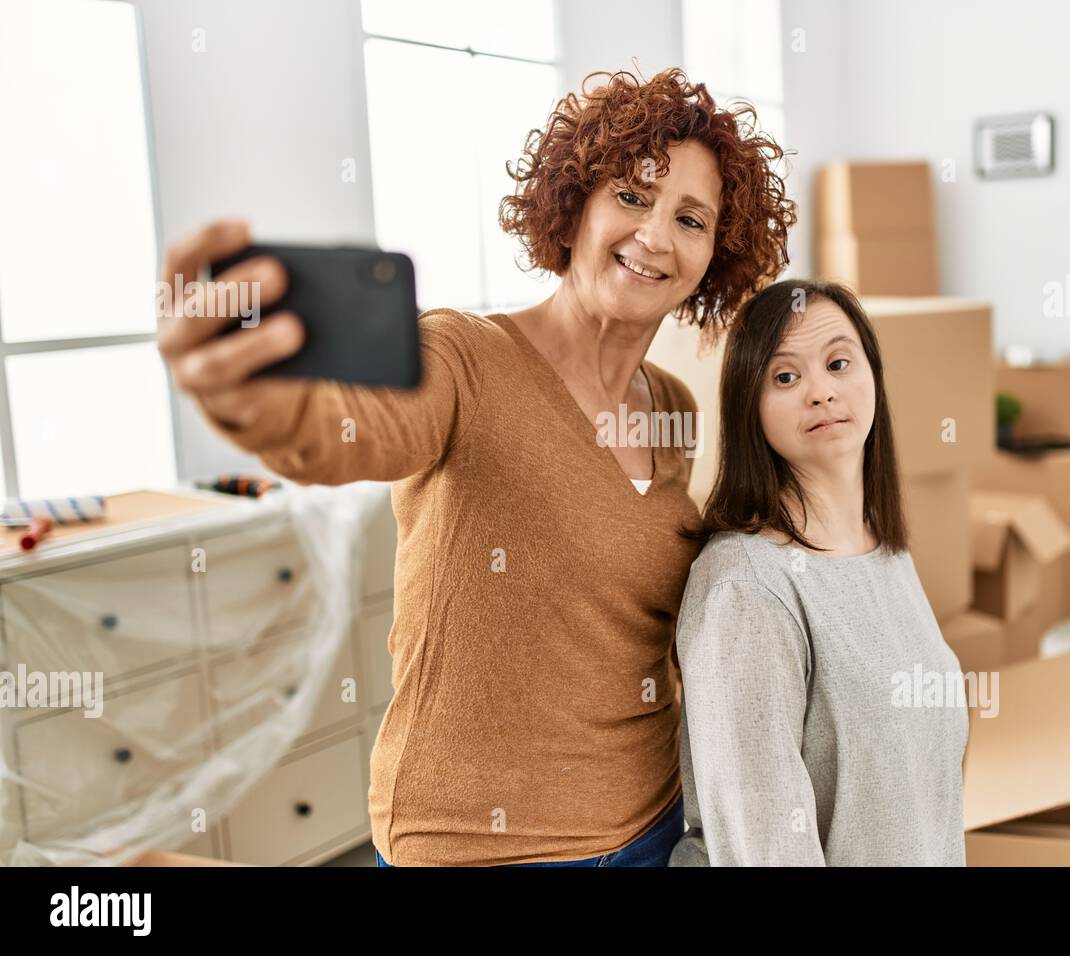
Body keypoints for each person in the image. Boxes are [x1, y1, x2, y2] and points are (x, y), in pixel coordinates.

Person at [155, 67, 796, 866]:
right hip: (475, 843)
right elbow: (348, 429)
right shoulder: (464, 356)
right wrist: (257, 404)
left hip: (652, 820)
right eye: (632, 196)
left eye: (691, 219)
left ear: (715, 255)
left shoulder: (674, 407)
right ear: (575, 205)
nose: (657, 236)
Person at [669, 280, 969, 866]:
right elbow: (764, 845)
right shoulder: (745, 587)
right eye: (785, 377)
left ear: (873, 376)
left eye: (838, 363)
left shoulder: (885, 549)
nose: (821, 393)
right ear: (749, 408)